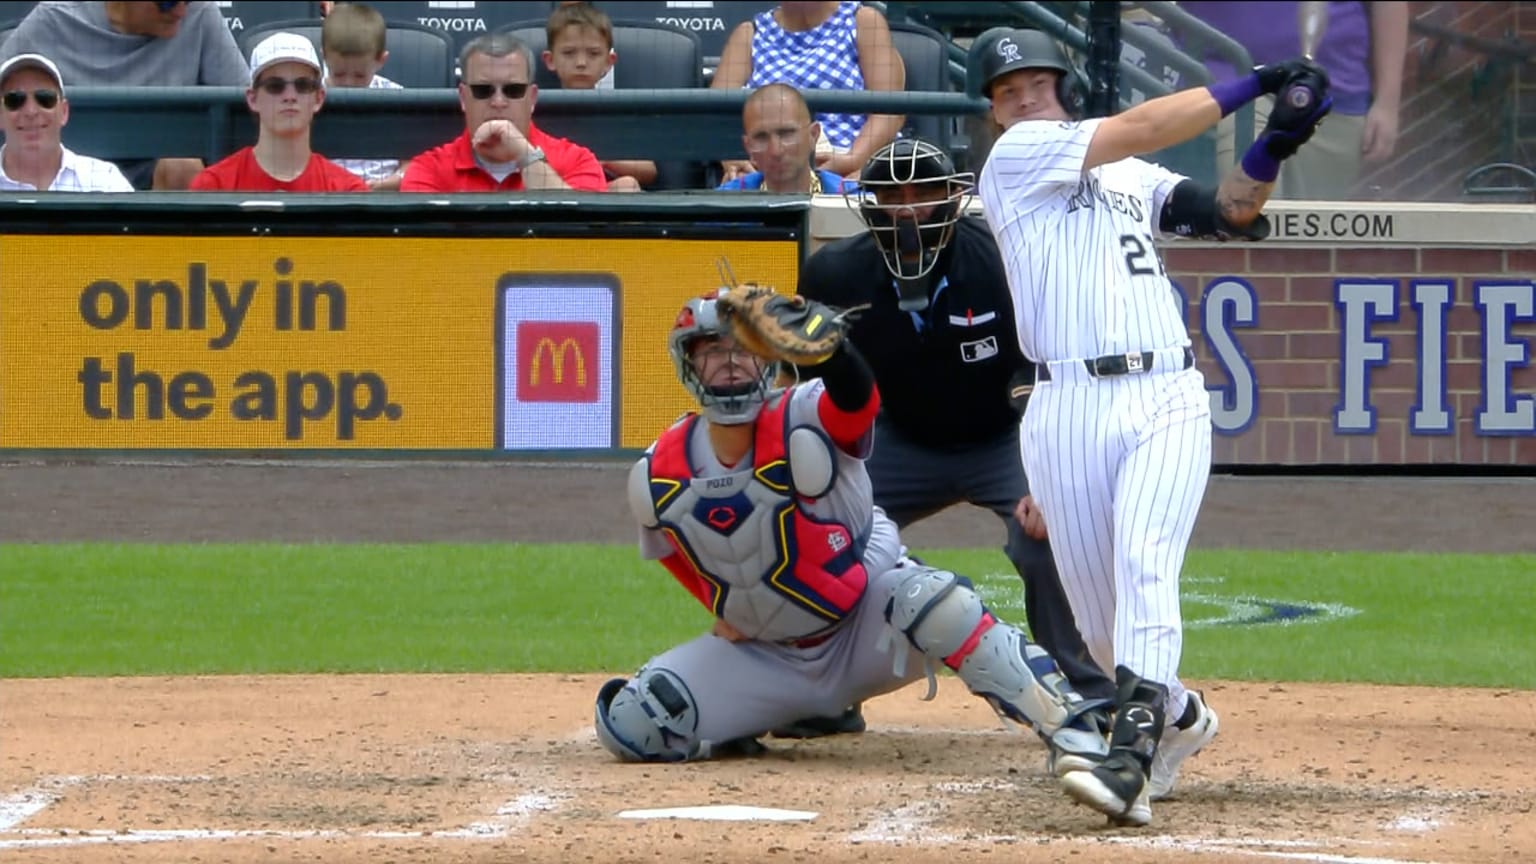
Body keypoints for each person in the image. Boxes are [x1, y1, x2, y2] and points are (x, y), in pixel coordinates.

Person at [968, 28, 1331, 825]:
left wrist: (1274, 143)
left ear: (1063, 88)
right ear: (994, 113)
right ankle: (1180, 717)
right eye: (1007, 93)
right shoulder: (1016, 159)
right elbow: (1140, 125)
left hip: (1164, 388)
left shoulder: (1130, 175)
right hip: (1065, 404)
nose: (1024, 100)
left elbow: (1231, 211)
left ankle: (1129, 762)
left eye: (1037, 85)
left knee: (1144, 563)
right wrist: (1255, 83)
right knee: (1102, 635)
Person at [594, 284, 1112, 775]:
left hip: (865, 633)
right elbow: (678, 556)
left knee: (935, 603)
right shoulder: (660, 469)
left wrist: (835, 352)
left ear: (768, 357)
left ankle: (1072, 727)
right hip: (767, 657)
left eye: (743, 349)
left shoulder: (804, 413)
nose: (729, 362)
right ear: (688, 363)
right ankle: (763, 717)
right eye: (712, 350)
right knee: (633, 722)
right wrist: (727, 611)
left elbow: (858, 401)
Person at [782, 137, 1117, 746]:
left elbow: (1044, 369)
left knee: (1047, 534)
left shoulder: (1001, 261)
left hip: (1004, 435)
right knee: (816, 534)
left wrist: (1047, 475)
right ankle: (826, 694)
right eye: (892, 197)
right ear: (869, 205)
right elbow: (812, 390)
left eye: (924, 193)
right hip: (898, 438)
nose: (908, 209)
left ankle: (1087, 691)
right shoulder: (835, 273)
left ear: (951, 199)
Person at [0, 1, 250, 190]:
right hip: (70, 180)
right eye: (167, 2)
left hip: (160, 188)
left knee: (182, 166)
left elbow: (249, 111)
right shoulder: (53, 19)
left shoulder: (200, 14)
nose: (181, 11)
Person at [1172, 1, 1407, 200]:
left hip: (1335, 93)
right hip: (1234, 77)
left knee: (1307, 230)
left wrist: (1387, 103)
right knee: (1254, 213)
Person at [711, 1, 905, 184]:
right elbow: (712, 115)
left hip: (851, 169)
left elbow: (889, 111)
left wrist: (853, 160)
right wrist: (732, 158)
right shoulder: (748, 34)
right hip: (768, 171)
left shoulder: (864, 21)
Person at [400, 33, 608, 193]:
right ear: (463, 98)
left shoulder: (577, 160)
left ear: (532, 98)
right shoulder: (428, 169)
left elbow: (580, 229)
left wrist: (525, 155)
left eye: (513, 90)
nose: (498, 102)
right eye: (483, 90)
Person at [189, 33, 367, 192]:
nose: (290, 96)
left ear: (318, 98)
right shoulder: (213, 185)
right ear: (253, 98)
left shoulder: (348, 191)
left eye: (303, 85)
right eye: (275, 86)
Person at [542, 2, 652, 192]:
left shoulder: (619, 111)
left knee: (627, 185)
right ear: (550, 60)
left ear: (609, 62)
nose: (581, 62)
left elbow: (649, 171)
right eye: (569, 53)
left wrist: (603, 159)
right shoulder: (534, 110)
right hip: (551, 193)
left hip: (601, 196)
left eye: (593, 54)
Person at [0, 52, 133, 192]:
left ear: (64, 112)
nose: (31, 111)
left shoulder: (105, 180)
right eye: (14, 100)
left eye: (45, 98)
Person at [320, 2, 412, 191]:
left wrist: (392, 182)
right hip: (325, 195)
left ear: (381, 60)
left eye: (359, 75)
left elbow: (412, 163)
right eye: (339, 74)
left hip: (385, 196)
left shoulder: (398, 98)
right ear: (325, 57)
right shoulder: (309, 97)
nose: (348, 83)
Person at [717, 84, 858, 194]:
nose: (776, 151)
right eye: (761, 138)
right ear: (748, 147)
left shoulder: (854, 201)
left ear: (813, 135)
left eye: (786, 134)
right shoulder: (725, 204)